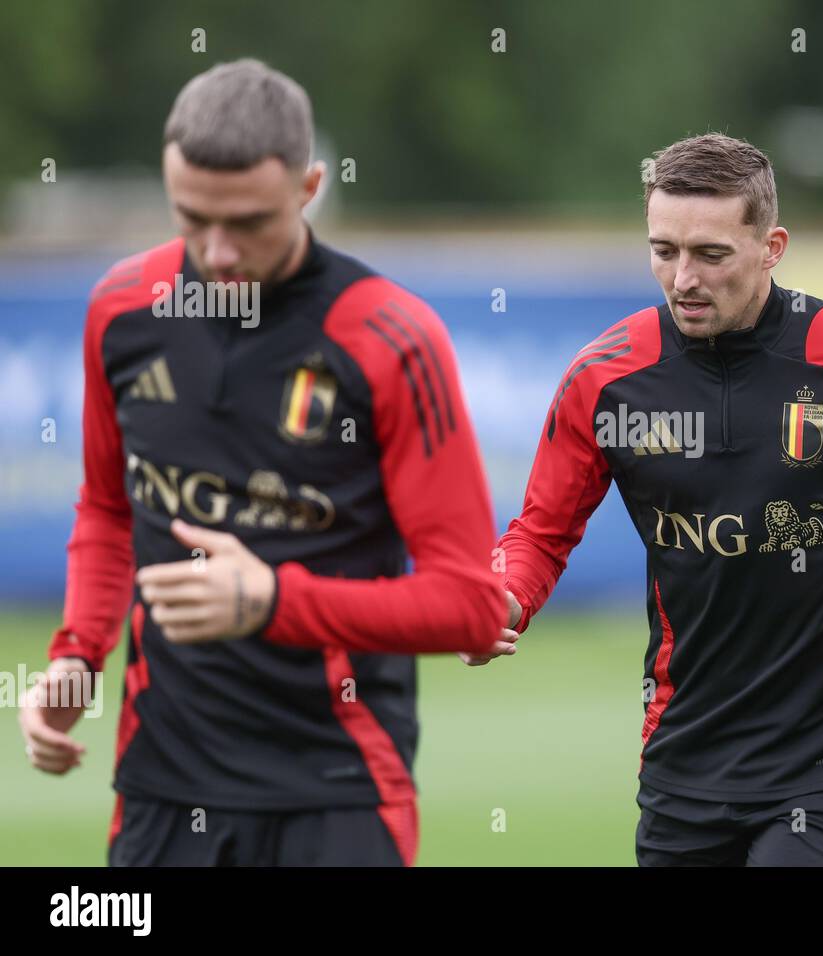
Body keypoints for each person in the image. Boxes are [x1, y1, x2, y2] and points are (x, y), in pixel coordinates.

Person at [486, 133, 823, 866]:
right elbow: (541, 531)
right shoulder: (607, 378)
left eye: (711, 255)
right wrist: (501, 597)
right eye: (663, 250)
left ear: (771, 246)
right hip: (684, 753)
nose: (683, 277)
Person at [18, 58, 508, 867]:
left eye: (247, 221)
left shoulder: (390, 338)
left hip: (338, 791)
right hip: (162, 792)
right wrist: (76, 657)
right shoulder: (121, 309)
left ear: (309, 186)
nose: (216, 251)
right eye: (190, 216)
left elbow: (471, 606)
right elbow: (109, 508)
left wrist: (274, 600)